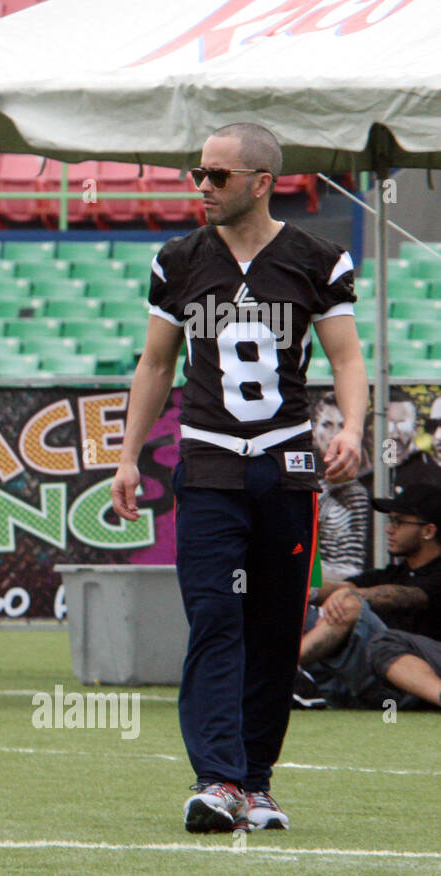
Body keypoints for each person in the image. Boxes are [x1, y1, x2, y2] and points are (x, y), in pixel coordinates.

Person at [113, 122, 368, 833]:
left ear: (263, 182)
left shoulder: (318, 259)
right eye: (199, 173)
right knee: (215, 617)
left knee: (275, 624)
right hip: (210, 463)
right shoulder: (179, 259)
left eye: (218, 176)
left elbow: (347, 359)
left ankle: (256, 782)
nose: (202, 186)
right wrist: (128, 456)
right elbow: (156, 364)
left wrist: (350, 428)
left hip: (286, 465)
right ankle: (218, 778)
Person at [300, 484, 441, 707]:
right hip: (369, 683)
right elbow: (340, 587)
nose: (389, 529)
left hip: (413, 685)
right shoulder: (393, 572)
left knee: (352, 607)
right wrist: (303, 591)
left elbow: (411, 596)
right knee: (299, 607)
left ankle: (280, 670)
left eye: (399, 522)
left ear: (428, 531)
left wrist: (352, 595)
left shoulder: (435, 574)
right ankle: (303, 688)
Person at [310, 392, 369, 583]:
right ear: (313, 429)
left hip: (326, 595)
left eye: (342, 427)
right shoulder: (302, 478)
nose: (334, 435)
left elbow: (350, 570)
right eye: (327, 425)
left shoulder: (353, 494)